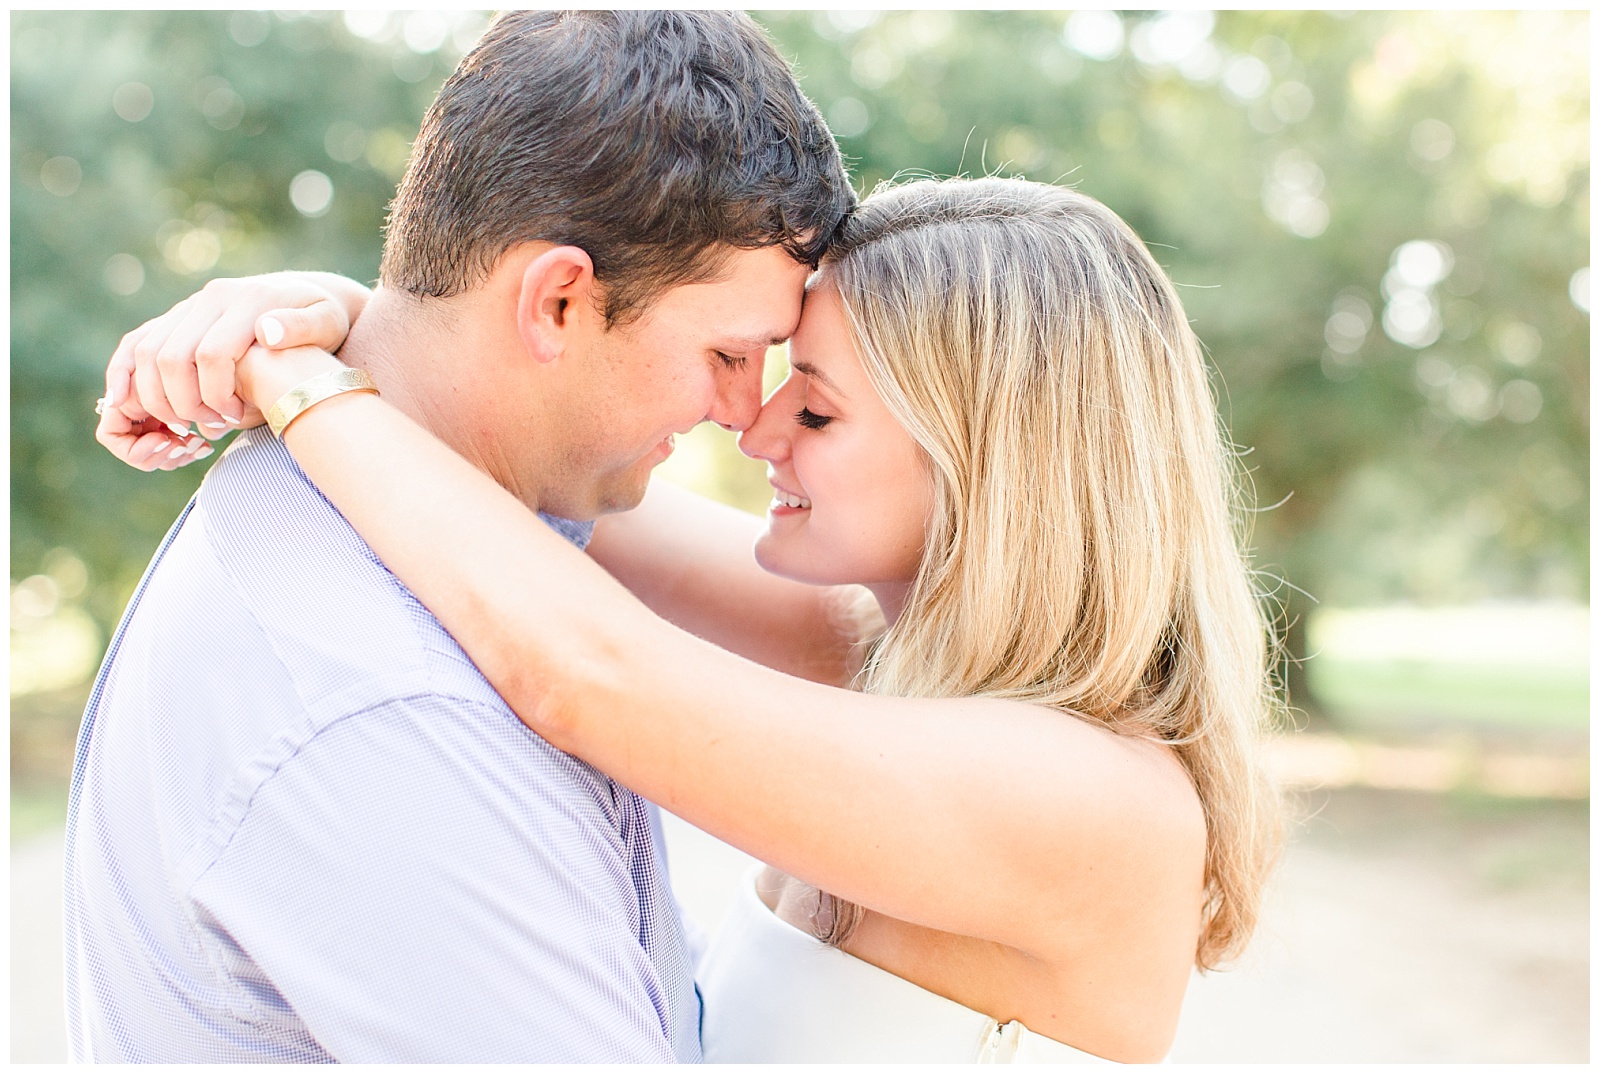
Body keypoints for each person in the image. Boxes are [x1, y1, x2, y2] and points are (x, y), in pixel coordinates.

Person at [101, 176, 1286, 1062]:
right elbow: (520, 456)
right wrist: (341, 316)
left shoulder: (1089, 804)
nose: (756, 431)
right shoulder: (888, 657)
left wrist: (292, 377)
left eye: (813, 414)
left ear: (990, 464)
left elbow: (582, 668)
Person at [66, 10, 853, 1063]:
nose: (740, 409)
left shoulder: (445, 507)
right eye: (726, 353)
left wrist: (337, 335)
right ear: (558, 300)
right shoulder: (388, 715)